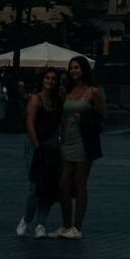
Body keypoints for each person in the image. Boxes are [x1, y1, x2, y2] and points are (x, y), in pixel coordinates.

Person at [56, 56, 105, 239]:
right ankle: (66, 224)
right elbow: (61, 115)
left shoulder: (92, 91)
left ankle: (77, 227)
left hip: (84, 141)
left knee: (79, 183)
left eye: (77, 67)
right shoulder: (67, 91)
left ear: (84, 69)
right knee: (63, 184)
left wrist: (85, 117)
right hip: (67, 139)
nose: (73, 70)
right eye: (71, 68)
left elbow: (102, 115)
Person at [17, 68, 64, 237]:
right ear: (42, 80)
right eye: (47, 78)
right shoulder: (35, 99)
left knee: (49, 187)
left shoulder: (57, 101)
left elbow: (60, 124)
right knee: (35, 186)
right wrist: (37, 145)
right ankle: (26, 219)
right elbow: (29, 122)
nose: (50, 81)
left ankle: (41, 224)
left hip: (52, 146)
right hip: (36, 146)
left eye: (53, 79)